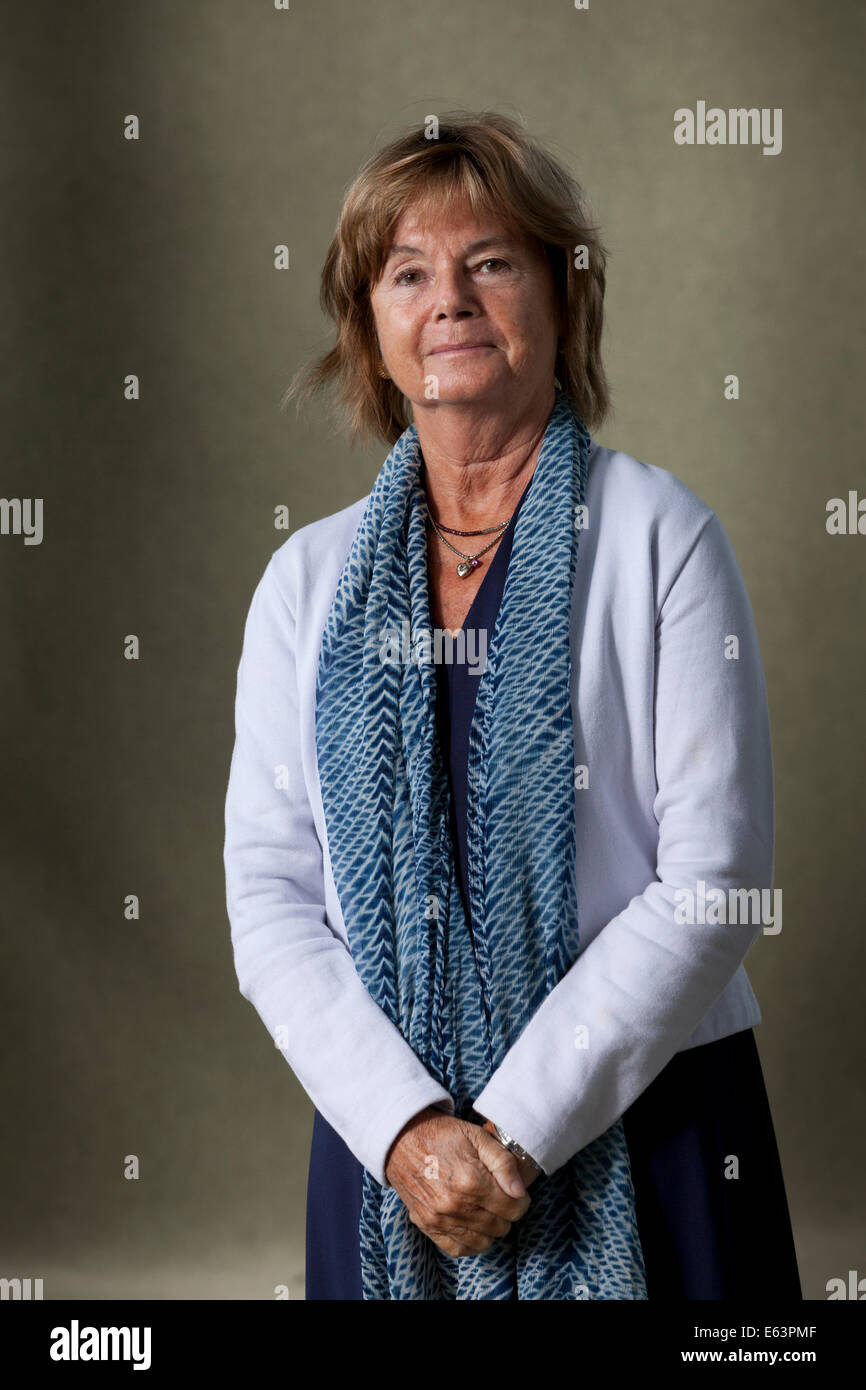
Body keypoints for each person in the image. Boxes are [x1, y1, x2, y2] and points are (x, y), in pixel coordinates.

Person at [223, 111, 801, 1300]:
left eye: (490, 262)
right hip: (387, 1153)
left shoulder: (661, 538)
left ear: (559, 298)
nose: (449, 300)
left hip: (647, 1126)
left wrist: (515, 1130)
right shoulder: (307, 582)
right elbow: (269, 896)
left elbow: (716, 874)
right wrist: (406, 1132)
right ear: (369, 328)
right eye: (407, 272)